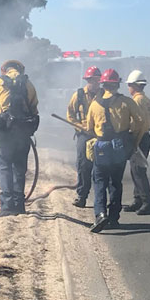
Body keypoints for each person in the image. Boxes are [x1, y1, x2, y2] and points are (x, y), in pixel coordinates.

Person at [84, 68, 142, 232]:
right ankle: (114, 217)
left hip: (101, 147)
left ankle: (100, 214)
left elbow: (89, 128)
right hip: (119, 147)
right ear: (117, 84)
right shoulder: (126, 102)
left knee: (100, 182)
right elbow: (140, 122)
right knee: (116, 182)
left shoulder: (95, 104)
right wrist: (134, 139)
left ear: (103, 84)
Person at [0, 59, 39, 215]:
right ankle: (19, 205)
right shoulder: (28, 84)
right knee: (19, 169)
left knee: (4, 168)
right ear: (20, 70)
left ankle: (7, 206)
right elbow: (34, 107)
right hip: (23, 133)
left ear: (5, 70)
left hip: (4, 133)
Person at [66, 65, 102, 208]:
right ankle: (82, 196)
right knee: (83, 166)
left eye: (97, 80)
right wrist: (79, 126)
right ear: (87, 80)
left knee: (101, 167)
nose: (94, 82)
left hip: (100, 136)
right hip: (83, 135)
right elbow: (70, 114)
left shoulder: (105, 95)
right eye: (92, 80)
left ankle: (101, 199)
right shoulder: (78, 95)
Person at [123, 69, 150, 215]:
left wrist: (132, 139)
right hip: (145, 136)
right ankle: (138, 200)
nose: (128, 88)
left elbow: (137, 122)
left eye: (129, 85)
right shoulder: (146, 100)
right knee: (135, 170)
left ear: (134, 86)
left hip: (139, 137)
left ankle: (147, 202)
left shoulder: (137, 101)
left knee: (138, 171)